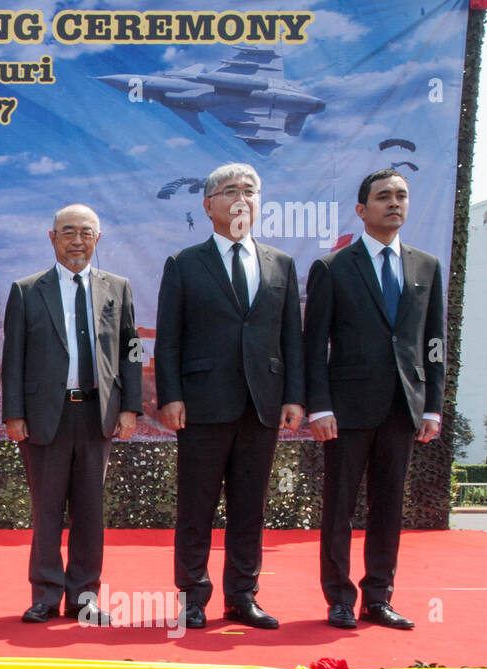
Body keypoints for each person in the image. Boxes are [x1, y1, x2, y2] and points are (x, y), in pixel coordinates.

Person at [154, 162, 304, 630]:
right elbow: (170, 339)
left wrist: (294, 396)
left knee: (249, 507)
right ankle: (192, 595)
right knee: (196, 506)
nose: (242, 198)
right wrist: (170, 395)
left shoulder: (281, 263)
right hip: (201, 404)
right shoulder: (184, 263)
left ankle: (242, 594)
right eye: (231, 191)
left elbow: (291, 338)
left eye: (251, 190)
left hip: (261, 403)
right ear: (209, 205)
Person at [304, 169, 444, 630]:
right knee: (339, 508)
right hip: (346, 409)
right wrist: (319, 406)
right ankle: (339, 598)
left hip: (404, 406)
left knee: (388, 506)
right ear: (362, 210)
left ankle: (378, 597)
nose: (394, 203)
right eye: (383, 196)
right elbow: (314, 344)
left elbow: (433, 343)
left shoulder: (426, 266)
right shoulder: (332, 268)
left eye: (401, 196)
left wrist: (432, 405)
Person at [2, 204, 142, 625]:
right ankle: (45, 593)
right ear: (52, 238)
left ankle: (85, 596)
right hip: (46, 415)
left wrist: (131, 407)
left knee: (90, 509)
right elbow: (13, 358)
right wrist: (14, 413)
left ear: (97, 239)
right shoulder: (27, 290)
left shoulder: (118, 288)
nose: (76, 240)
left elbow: (131, 352)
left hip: (98, 414)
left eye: (85, 232)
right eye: (67, 232)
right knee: (46, 508)